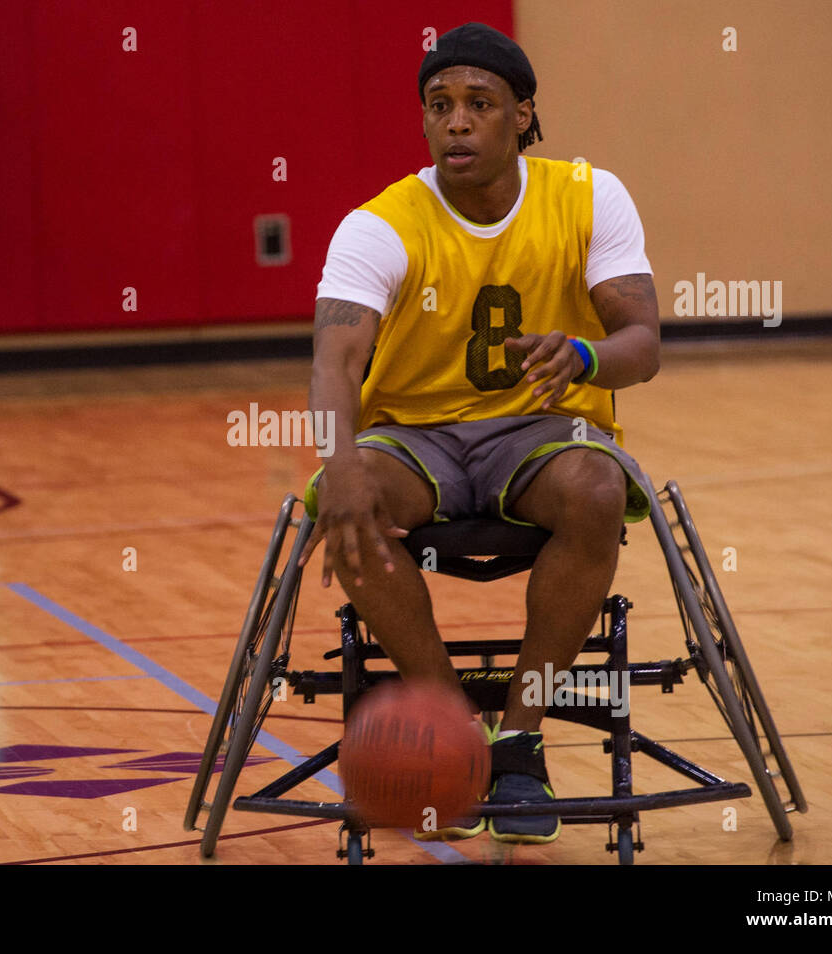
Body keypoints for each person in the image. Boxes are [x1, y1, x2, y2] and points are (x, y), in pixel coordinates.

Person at [299, 22, 661, 844]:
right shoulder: (380, 222)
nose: (455, 122)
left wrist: (580, 354)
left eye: (478, 104)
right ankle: (455, 732)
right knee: (345, 496)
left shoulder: (589, 195)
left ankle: (522, 741)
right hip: (415, 436)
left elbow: (643, 347)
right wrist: (340, 461)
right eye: (439, 106)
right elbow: (334, 359)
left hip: (536, 429)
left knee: (598, 488)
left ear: (523, 115)